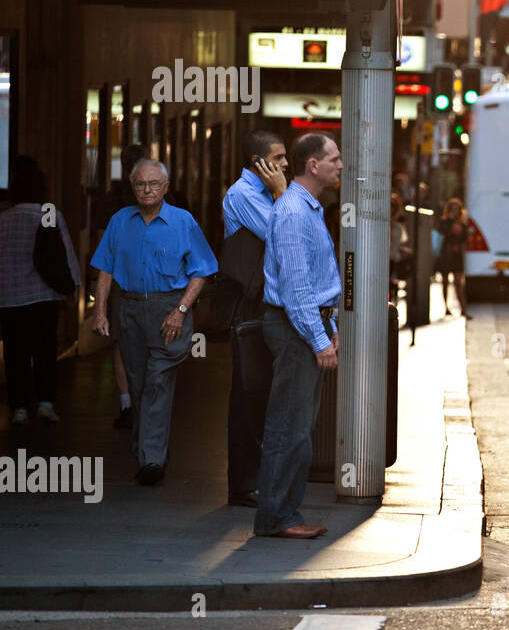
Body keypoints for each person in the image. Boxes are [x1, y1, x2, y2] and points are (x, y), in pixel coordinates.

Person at [90, 159, 218, 485]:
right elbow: (104, 269)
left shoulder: (182, 221)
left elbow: (203, 270)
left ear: (166, 187)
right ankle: (145, 449)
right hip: (130, 309)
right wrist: (100, 311)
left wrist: (181, 310)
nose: (147, 190)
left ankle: (152, 461)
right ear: (132, 188)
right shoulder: (120, 221)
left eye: (154, 184)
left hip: (169, 310)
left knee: (158, 381)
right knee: (138, 385)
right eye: (140, 185)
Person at [255, 132, 343, 539]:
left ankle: (284, 513)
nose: (340, 166)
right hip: (294, 329)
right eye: (334, 159)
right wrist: (318, 337)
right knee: (289, 428)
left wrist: (330, 328)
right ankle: (277, 518)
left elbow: (318, 278)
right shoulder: (293, 212)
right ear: (314, 165)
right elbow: (296, 286)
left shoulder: (307, 207)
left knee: (298, 427)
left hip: (306, 326)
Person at [220, 130, 289, 508]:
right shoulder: (244, 194)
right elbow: (283, 232)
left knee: (262, 390)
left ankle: (261, 477)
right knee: (248, 391)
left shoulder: (263, 194)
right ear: (258, 163)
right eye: (277, 158)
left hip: (266, 302)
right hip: (250, 306)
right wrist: (281, 192)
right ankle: (244, 483)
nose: (284, 165)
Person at [0, 159, 80, 426]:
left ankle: (19, 408)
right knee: (45, 351)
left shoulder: (3, 218)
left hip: (9, 298)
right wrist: (72, 288)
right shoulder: (48, 213)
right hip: (43, 296)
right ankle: (45, 404)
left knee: (15, 354)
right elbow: (64, 254)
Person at [92, 143, 147, 430]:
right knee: (152, 341)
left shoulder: (109, 200)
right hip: (154, 281)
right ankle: (144, 404)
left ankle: (128, 403)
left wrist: (99, 294)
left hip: (118, 281)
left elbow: (104, 251)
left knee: (121, 344)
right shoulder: (164, 195)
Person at [435, 198, 470, 319]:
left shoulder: (463, 224)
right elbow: (442, 234)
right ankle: (446, 308)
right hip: (445, 255)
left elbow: (464, 239)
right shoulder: (444, 223)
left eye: (457, 209)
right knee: (445, 282)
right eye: (452, 209)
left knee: (458, 283)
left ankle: (463, 309)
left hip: (457, 256)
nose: (454, 212)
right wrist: (449, 222)